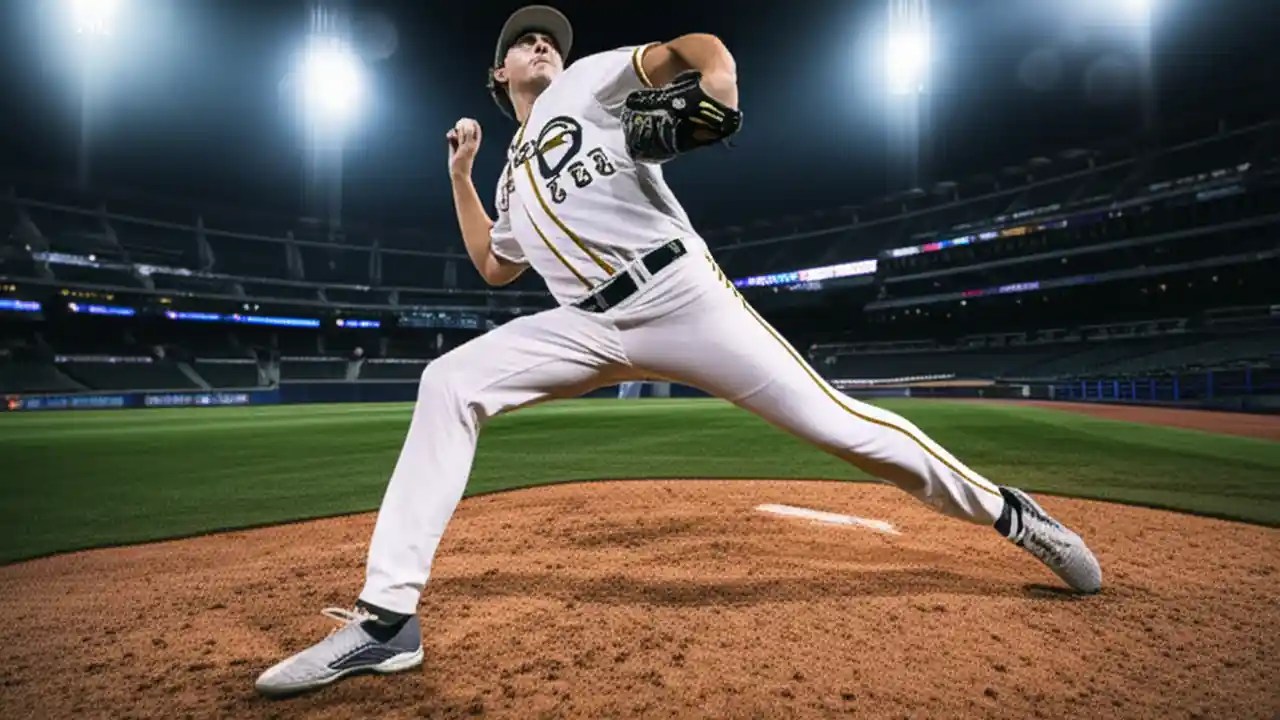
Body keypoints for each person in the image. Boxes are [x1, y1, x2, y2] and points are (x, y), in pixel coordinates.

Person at [254, 4, 1101, 697]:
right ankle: (388, 621)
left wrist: (719, 77)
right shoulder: (511, 176)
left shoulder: (587, 83)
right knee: (450, 380)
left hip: (680, 295)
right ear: (497, 74)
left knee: (840, 426)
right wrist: (460, 176)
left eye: (548, 37)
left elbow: (688, 50)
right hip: (585, 325)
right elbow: (493, 264)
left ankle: (1010, 513)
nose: (541, 44)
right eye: (522, 41)